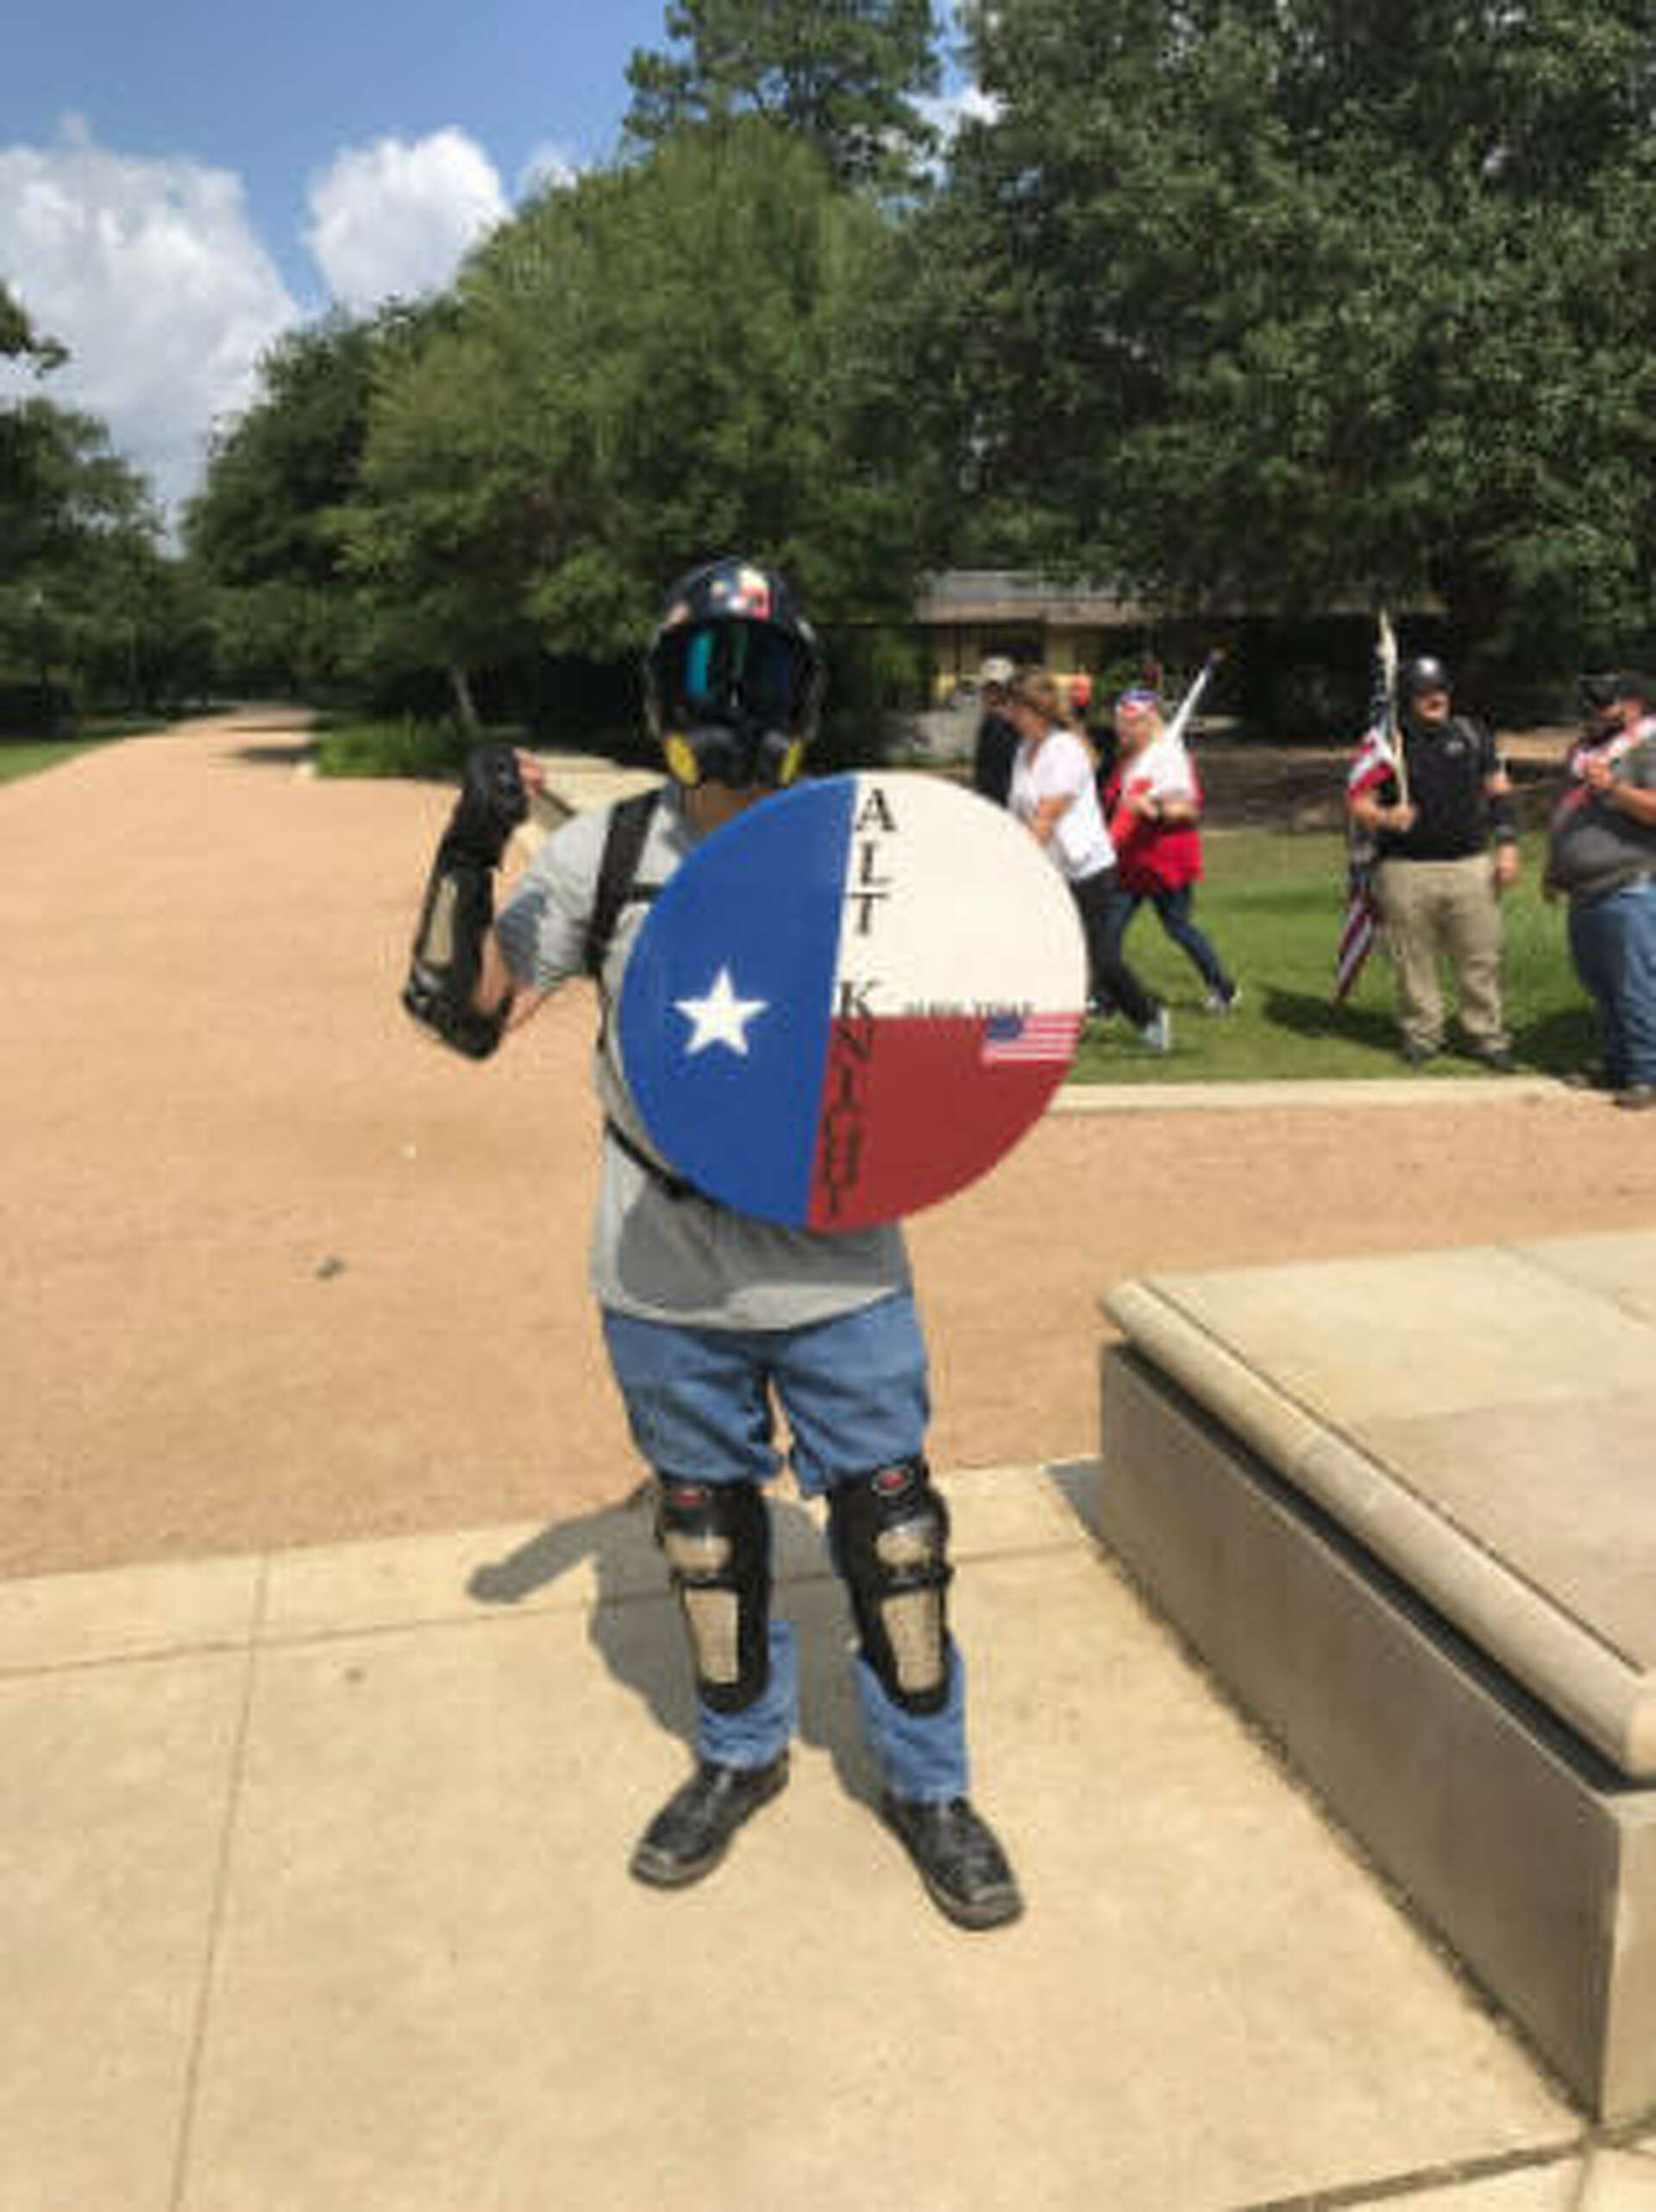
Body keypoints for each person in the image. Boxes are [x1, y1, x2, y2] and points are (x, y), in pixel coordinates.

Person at [401, 556, 1023, 1929]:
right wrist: (467, 850)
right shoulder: (606, 853)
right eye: (706, 673)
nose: (733, 703)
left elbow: (987, 1025)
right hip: (663, 1267)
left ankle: (929, 1783)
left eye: (762, 673)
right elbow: (469, 1012)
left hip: (838, 1258)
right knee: (704, 1533)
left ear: (805, 695)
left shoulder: (868, 847)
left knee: (895, 1532)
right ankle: (740, 1752)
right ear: (659, 693)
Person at [1346, 652, 1521, 1068]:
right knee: (1413, 959)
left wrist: (1509, 846)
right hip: (1404, 871)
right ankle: (1423, 1034)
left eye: (1441, 689)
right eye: (1425, 692)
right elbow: (1358, 803)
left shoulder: (1473, 734)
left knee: (1480, 958)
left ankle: (1487, 1037)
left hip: (1470, 867)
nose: (1435, 697)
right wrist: (1388, 816)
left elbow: (1500, 793)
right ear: (1407, 697)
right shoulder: (1387, 746)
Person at [1004, 665, 1170, 1047]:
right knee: (1034, 949)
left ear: (1036, 708)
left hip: (1087, 870)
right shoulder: (1022, 750)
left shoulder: (1066, 750)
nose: (1010, 716)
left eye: (1015, 708)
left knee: (1102, 961)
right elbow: (1017, 811)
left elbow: (1046, 817)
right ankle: (1028, 1031)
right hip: (1050, 870)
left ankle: (1151, 1020)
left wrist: (1014, 866)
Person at [1544, 670, 1656, 1109]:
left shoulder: (1647, 746)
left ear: (1632, 707)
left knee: (1635, 986)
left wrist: (1613, 786)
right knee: (1603, 987)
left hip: (1631, 886)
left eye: (1603, 704)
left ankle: (1648, 1073)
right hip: (1584, 889)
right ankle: (1617, 1065)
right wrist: (1555, 867)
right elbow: (1568, 817)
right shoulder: (1581, 754)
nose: (1592, 713)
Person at [1101, 685, 1239, 1012]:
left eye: (1129, 722)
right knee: (1107, 932)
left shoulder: (1169, 758)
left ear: (1148, 723)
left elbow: (1189, 810)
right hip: (1129, 861)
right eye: (1119, 722)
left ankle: (1224, 988)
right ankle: (1105, 999)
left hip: (1165, 861)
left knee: (1178, 928)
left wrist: (1155, 810)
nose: (1122, 728)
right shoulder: (1126, 759)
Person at [970, 656, 1019, 807]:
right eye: (988, 688)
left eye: (998, 688)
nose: (992, 694)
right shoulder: (989, 723)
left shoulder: (1015, 725)